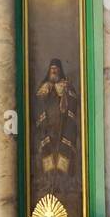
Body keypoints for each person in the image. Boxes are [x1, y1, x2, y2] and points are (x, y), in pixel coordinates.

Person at [35, 59, 78, 188]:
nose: (54, 71)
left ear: (60, 70)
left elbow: (74, 102)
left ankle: (63, 182)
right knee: (47, 151)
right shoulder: (44, 86)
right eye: (52, 68)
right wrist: (46, 94)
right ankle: (48, 181)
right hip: (47, 127)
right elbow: (37, 103)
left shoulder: (66, 85)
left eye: (56, 69)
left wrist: (65, 94)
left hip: (64, 127)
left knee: (63, 151)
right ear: (49, 71)